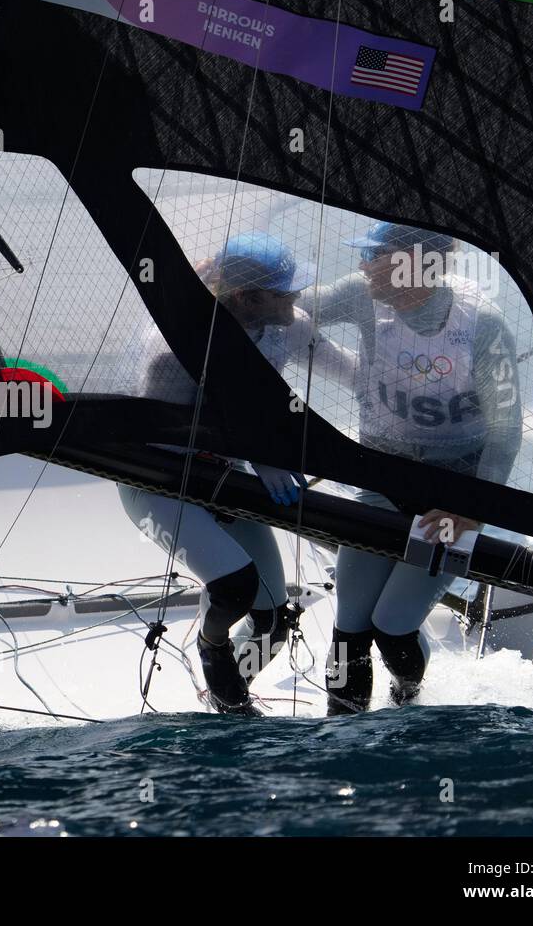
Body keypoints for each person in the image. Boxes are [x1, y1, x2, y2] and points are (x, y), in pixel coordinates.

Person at [120, 232, 358, 713]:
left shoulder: (291, 326)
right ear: (249, 298)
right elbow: (172, 428)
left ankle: (221, 697)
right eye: (284, 291)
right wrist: (261, 454)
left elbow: (351, 373)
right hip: (162, 482)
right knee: (234, 587)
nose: (296, 298)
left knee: (271, 620)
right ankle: (213, 655)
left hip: (228, 476)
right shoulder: (174, 349)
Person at [310, 221, 522, 713]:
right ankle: (342, 736)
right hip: (382, 480)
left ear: (415, 263)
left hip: (454, 492)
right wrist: (228, 292)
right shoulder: (361, 297)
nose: (362, 266)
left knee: (392, 626)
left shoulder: (483, 326)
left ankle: (407, 702)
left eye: (374, 255)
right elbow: (291, 313)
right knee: (350, 627)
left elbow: (506, 431)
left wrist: (471, 510)